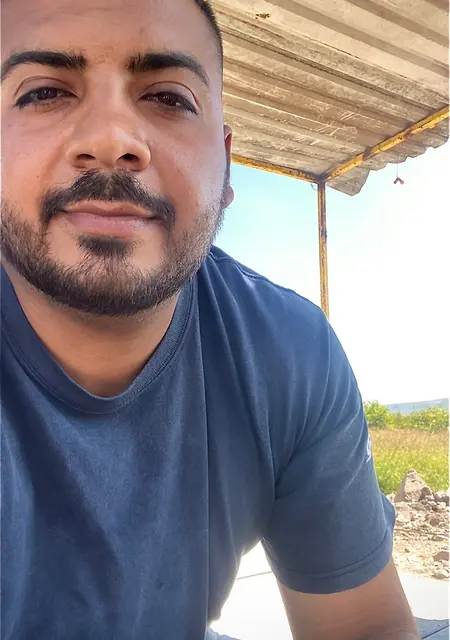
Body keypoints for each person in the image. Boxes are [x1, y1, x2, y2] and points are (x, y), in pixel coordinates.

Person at [0, 0, 419, 638]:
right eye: (44, 92)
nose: (111, 140)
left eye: (169, 98)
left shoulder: (288, 353)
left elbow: (366, 628)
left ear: (225, 167)